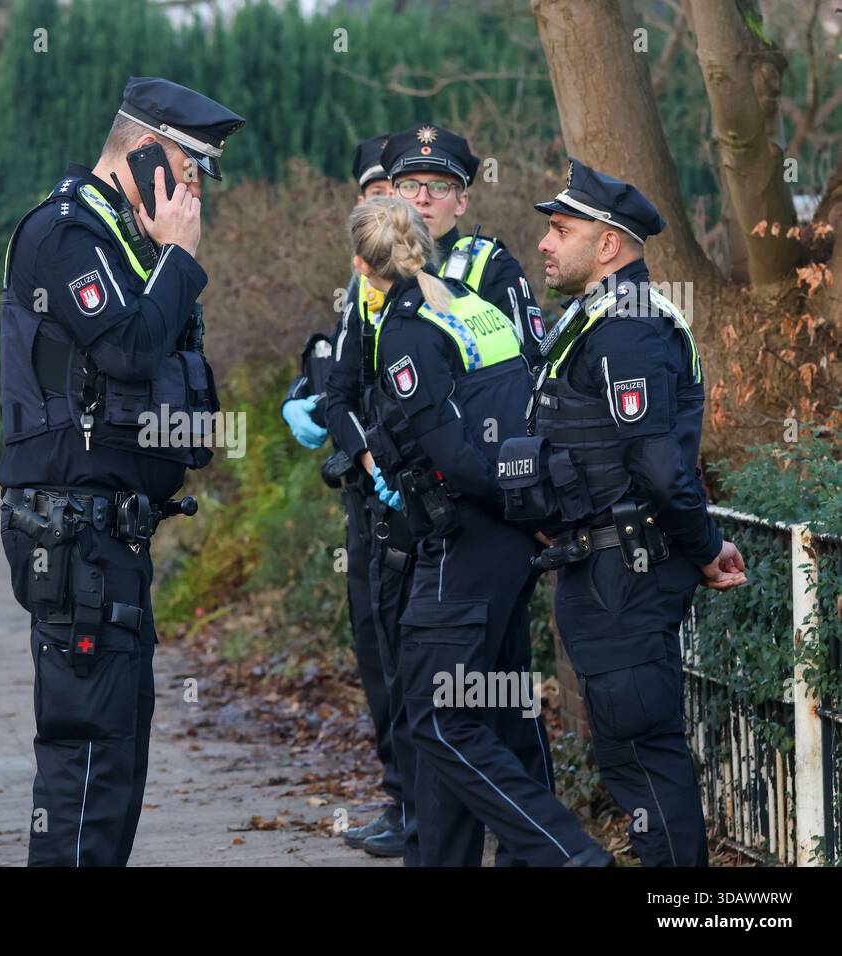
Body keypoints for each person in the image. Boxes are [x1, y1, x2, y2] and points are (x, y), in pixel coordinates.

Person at [0, 77, 244, 867]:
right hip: (73, 535)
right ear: (144, 156)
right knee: (88, 759)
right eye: (188, 167)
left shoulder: (119, 240)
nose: (194, 189)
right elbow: (128, 350)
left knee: (118, 763)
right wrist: (176, 256)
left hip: (110, 538)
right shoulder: (66, 234)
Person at [503, 158, 747, 866]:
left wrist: (704, 547)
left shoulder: (629, 329)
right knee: (628, 754)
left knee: (642, 754)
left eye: (560, 230)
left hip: (628, 573)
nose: (545, 244)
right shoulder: (600, 318)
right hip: (604, 567)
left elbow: (658, 465)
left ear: (607, 245)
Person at [355, 196, 608, 866]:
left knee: (438, 718)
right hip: (510, 543)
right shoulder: (476, 306)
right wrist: (538, 518)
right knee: (498, 711)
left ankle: (568, 854)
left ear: (361, 265)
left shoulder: (408, 329)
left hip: (462, 545)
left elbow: (458, 460)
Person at [280, 133, 410, 857]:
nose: (382, 200)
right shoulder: (361, 285)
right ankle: (402, 800)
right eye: (371, 190)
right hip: (364, 499)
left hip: (405, 501)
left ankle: (425, 811)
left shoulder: (429, 282)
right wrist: (313, 391)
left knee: (406, 655)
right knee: (375, 650)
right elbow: (338, 375)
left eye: (394, 187)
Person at [380, 124, 545, 365]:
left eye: (438, 187)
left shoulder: (494, 267)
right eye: (409, 186)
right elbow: (344, 381)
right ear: (392, 197)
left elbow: (532, 364)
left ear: (461, 203)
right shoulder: (373, 267)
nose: (422, 199)